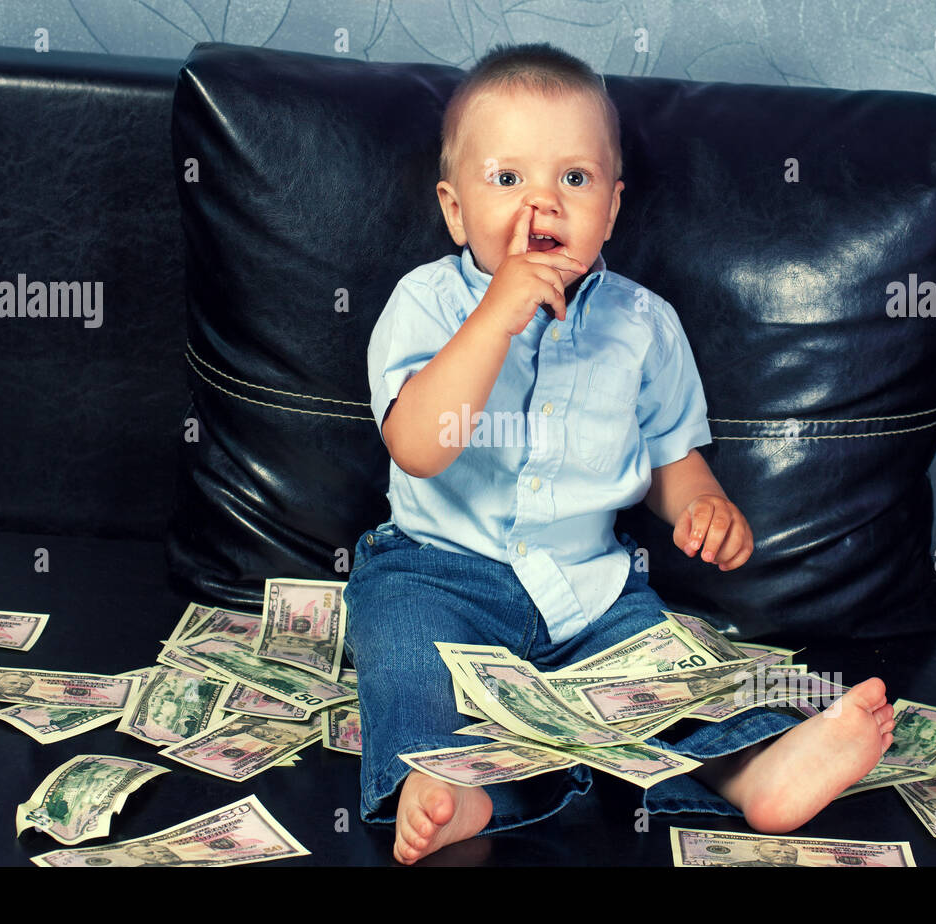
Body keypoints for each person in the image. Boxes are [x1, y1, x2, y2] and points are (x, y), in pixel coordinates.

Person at [345, 41, 897, 865]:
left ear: (611, 205)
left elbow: (673, 457)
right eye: (507, 180)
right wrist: (495, 316)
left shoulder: (644, 326)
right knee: (401, 654)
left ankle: (756, 771)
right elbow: (419, 447)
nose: (544, 204)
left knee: (669, 688)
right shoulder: (426, 304)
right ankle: (453, 785)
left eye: (574, 179)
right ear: (455, 210)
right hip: (437, 572)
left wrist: (703, 505)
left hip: (592, 592)